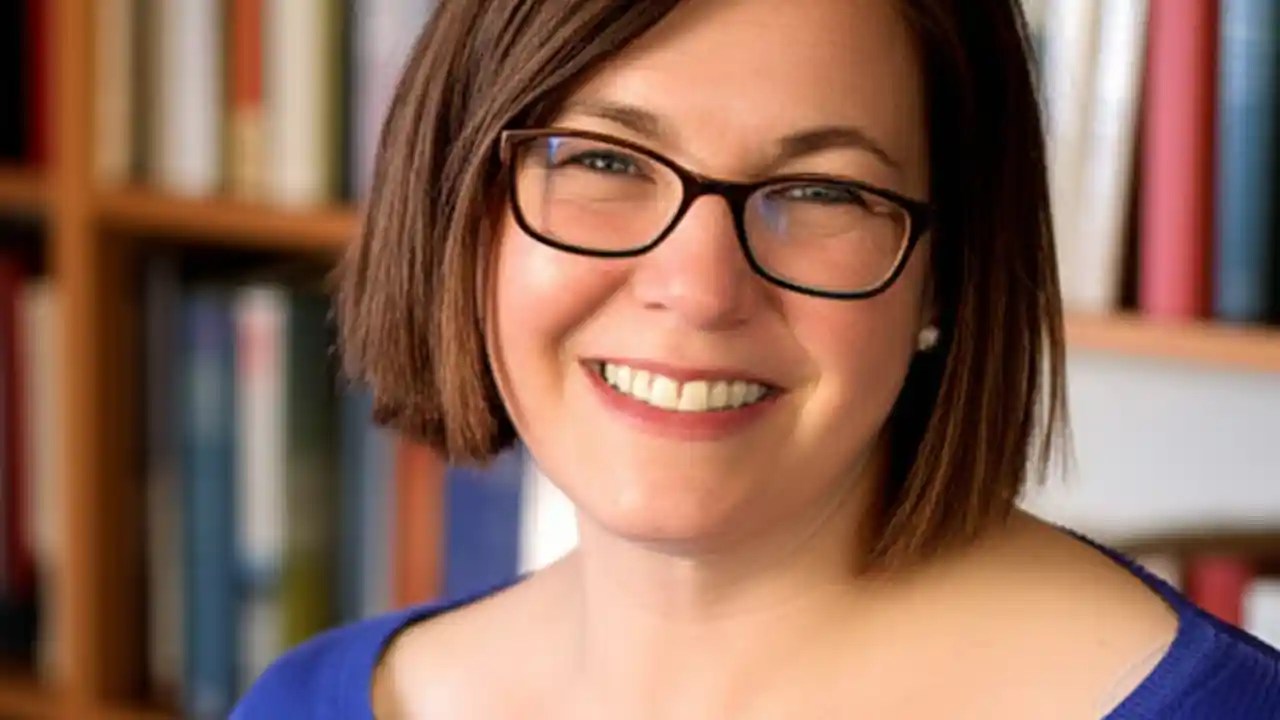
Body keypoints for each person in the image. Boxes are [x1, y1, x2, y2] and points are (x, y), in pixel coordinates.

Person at [233, 0, 1280, 717]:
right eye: (599, 160)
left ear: (946, 273)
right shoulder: (307, 704)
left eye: (824, 192)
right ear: (457, 211)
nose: (696, 290)